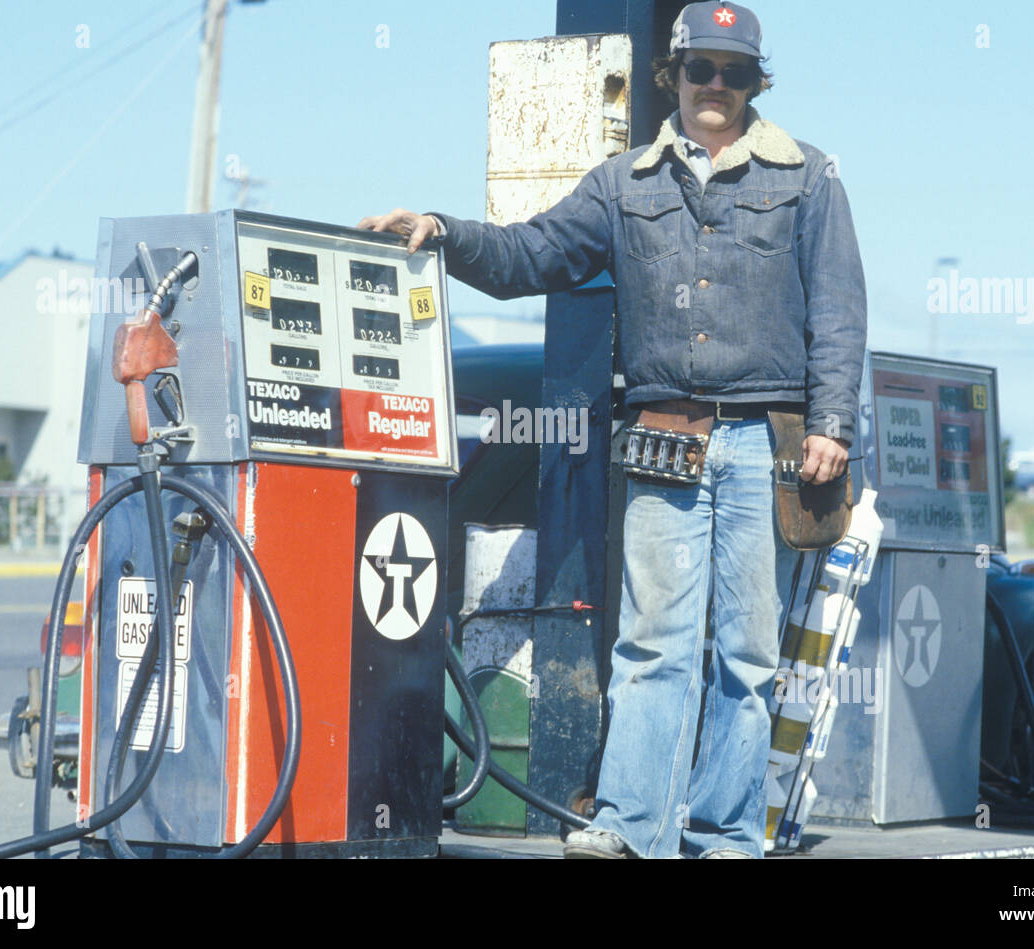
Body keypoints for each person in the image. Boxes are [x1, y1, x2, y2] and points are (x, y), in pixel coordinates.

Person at [358, 1, 865, 858]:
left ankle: (727, 836)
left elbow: (841, 311)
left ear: (754, 83)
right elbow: (534, 254)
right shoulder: (624, 183)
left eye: (733, 72)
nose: (715, 85)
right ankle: (632, 827)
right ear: (673, 75)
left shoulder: (809, 177)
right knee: (652, 643)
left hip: (765, 447)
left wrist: (833, 423)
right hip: (667, 435)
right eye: (700, 67)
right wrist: (443, 233)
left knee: (745, 653)